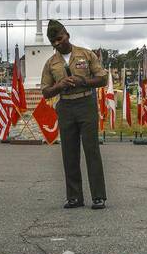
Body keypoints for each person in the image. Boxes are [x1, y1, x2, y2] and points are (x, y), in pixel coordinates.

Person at [40, 19, 108, 208]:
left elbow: (103, 78)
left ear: (67, 35)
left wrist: (82, 81)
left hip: (86, 103)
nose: (57, 43)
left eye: (60, 38)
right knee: (69, 153)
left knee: (92, 151)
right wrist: (59, 85)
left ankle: (98, 196)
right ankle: (74, 197)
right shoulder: (51, 63)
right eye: (53, 41)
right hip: (66, 106)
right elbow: (45, 92)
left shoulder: (85, 54)